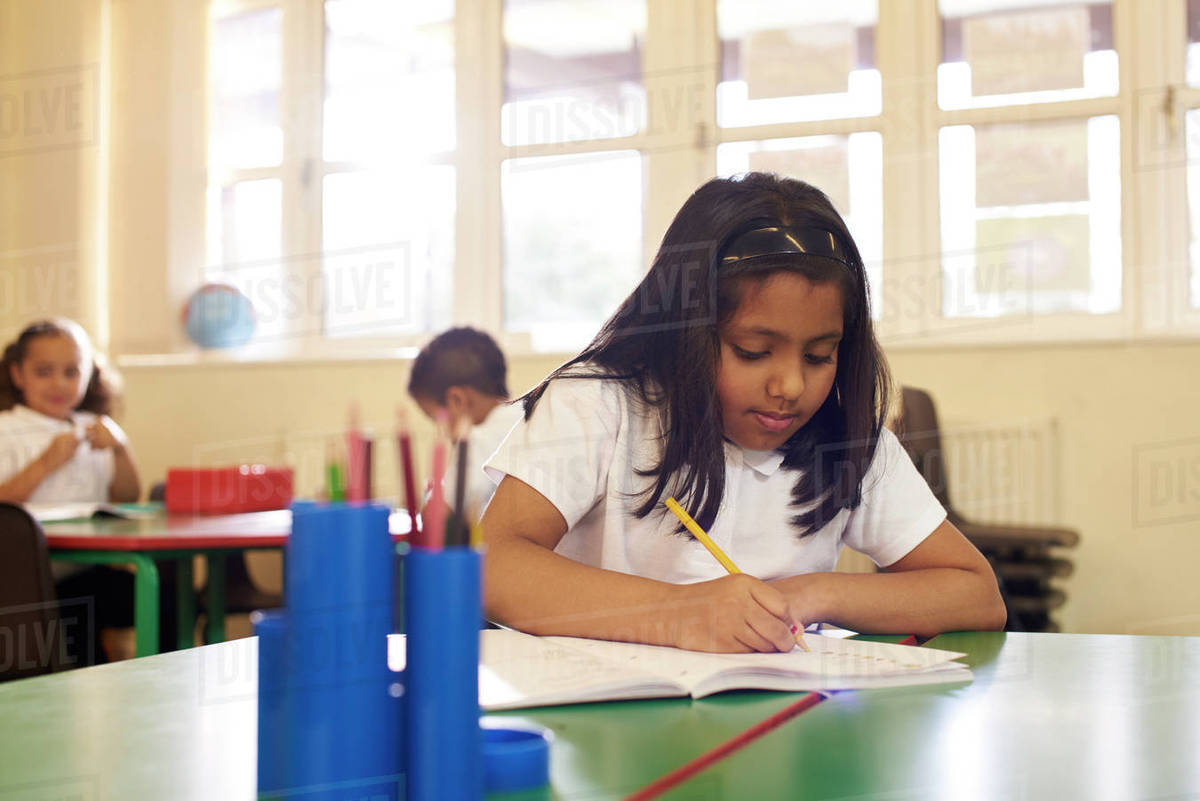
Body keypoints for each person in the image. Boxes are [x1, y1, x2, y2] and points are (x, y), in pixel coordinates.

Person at [481, 172, 1006, 654]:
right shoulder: (596, 405)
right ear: (685, 331)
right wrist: (678, 614)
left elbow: (977, 595)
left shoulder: (844, 439)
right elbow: (496, 568)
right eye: (753, 352)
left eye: (820, 355)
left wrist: (810, 593)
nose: (791, 385)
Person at [0, 318, 142, 664]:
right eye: (44, 371)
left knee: (159, 598)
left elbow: (128, 495)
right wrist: (46, 462)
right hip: (28, 577)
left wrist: (121, 448)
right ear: (18, 375)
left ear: (89, 374)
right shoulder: (8, 428)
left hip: (89, 566)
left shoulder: (93, 427)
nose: (59, 383)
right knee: (79, 619)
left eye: (71, 371)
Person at [407, 327, 523, 513]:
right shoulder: (526, 416)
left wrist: (433, 497)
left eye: (437, 419)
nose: (442, 431)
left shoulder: (479, 439)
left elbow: (436, 517)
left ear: (457, 401)